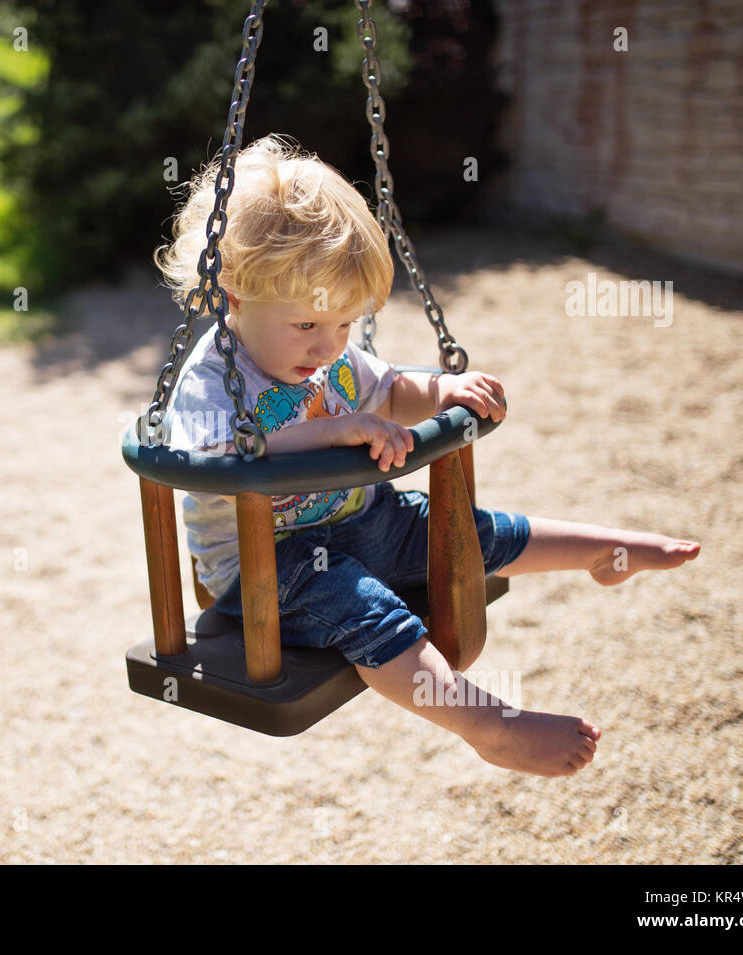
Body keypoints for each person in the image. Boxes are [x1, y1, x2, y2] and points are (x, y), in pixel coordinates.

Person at [153, 134, 700, 777]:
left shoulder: (325, 351)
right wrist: (332, 432)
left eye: (345, 325)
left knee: (463, 530)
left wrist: (441, 390)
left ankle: (602, 553)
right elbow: (215, 457)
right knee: (364, 608)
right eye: (307, 325)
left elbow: (388, 389)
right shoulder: (212, 376)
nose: (329, 346)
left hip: (359, 523)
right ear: (236, 295)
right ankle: (489, 726)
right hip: (267, 569)